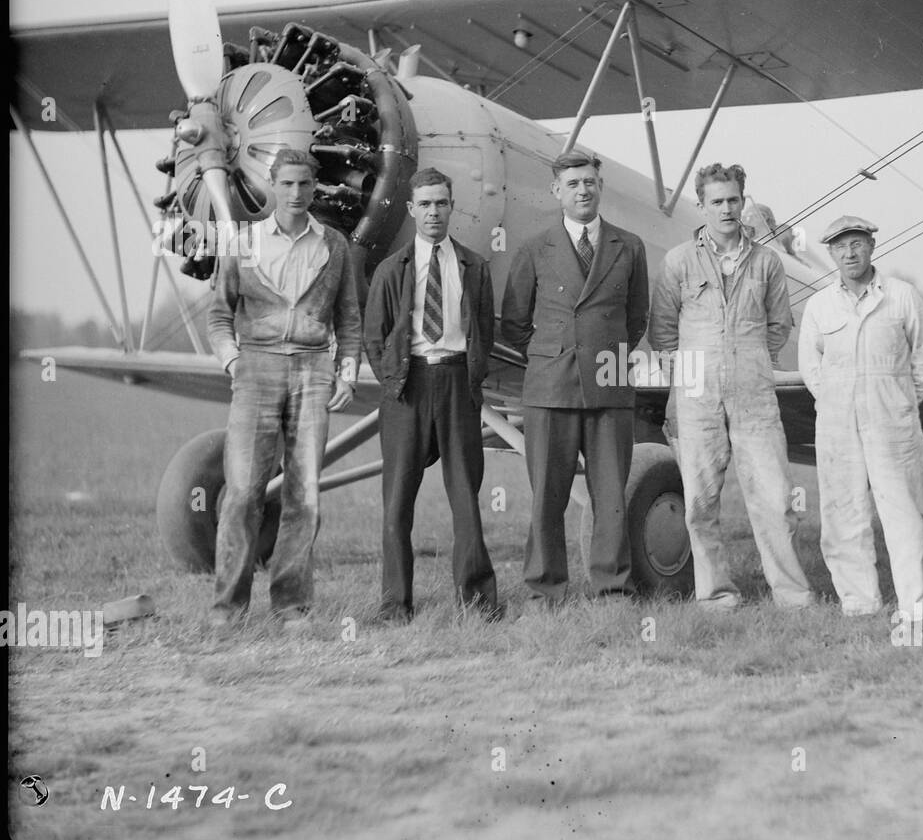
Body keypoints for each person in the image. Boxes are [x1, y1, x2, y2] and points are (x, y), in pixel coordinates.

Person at [207, 148, 360, 628]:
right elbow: (218, 313)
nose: (296, 193)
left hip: (315, 371)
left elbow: (348, 317)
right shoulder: (243, 244)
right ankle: (227, 609)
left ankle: (292, 606)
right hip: (255, 370)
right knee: (242, 493)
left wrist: (349, 370)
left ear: (316, 189)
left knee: (304, 494)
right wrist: (233, 361)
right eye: (288, 184)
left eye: (305, 185)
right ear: (273, 186)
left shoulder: (334, 246)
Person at [649, 163, 813, 611]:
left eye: (733, 200)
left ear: (744, 202)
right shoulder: (679, 261)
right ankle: (717, 595)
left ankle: (793, 597)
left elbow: (779, 325)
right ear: (701, 206)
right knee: (700, 504)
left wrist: (750, 363)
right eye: (716, 201)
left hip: (755, 400)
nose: (726, 209)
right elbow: (662, 332)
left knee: (776, 501)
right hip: (696, 402)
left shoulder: (766, 262)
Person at [500, 151, 650, 607]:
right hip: (550, 389)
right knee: (548, 495)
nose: (582, 190)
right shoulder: (533, 248)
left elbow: (636, 316)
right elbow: (515, 322)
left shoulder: (630, 246)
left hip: (610, 385)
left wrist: (603, 353)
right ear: (556, 191)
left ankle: (612, 588)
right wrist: (554, 353)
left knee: (611, 496)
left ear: (600, 186)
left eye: (589, 182)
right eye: (573, 184)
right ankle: (545, 591)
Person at [363, 167, 499, 623]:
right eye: (425, 204)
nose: (434, 212)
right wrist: (394, 381)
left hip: (458, 383)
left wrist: (473, 381)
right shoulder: (391, 269)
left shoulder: (475, 267)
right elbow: (374, 335)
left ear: (452, 206)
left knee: (465, 494)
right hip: (409, 388)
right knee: (398, 500)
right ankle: (395, 604)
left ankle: (477, 601)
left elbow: (484, 328)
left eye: (441, 202)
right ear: (411, 209)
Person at [798, 216, 923, 619]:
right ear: (830, 252)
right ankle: (859, 602)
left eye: (857, 243)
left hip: (891, 421)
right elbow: (811, 366)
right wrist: (832, 399)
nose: (850, 252)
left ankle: (918, 606)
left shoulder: (901, 296)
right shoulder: (820, 306)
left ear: (872, 246)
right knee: (843, 512)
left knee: (904, 512)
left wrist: (900, 400)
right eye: (841, 246)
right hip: (837, 423)